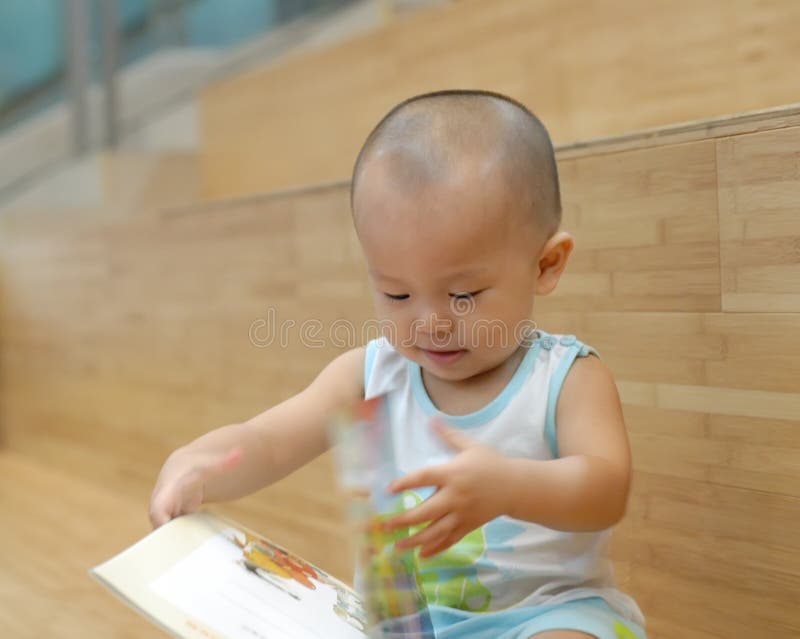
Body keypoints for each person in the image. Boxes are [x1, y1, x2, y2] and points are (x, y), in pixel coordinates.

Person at [149, 89, 646, 639]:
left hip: (544, 615)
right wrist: (202, 462)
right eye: (397, 295)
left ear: (546, 265)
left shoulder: (567, 378)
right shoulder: (367, 376)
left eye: (463, 294)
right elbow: (266, 441)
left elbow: (606, 491)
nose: (430, 322)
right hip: (404, 628)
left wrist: (509, 486)